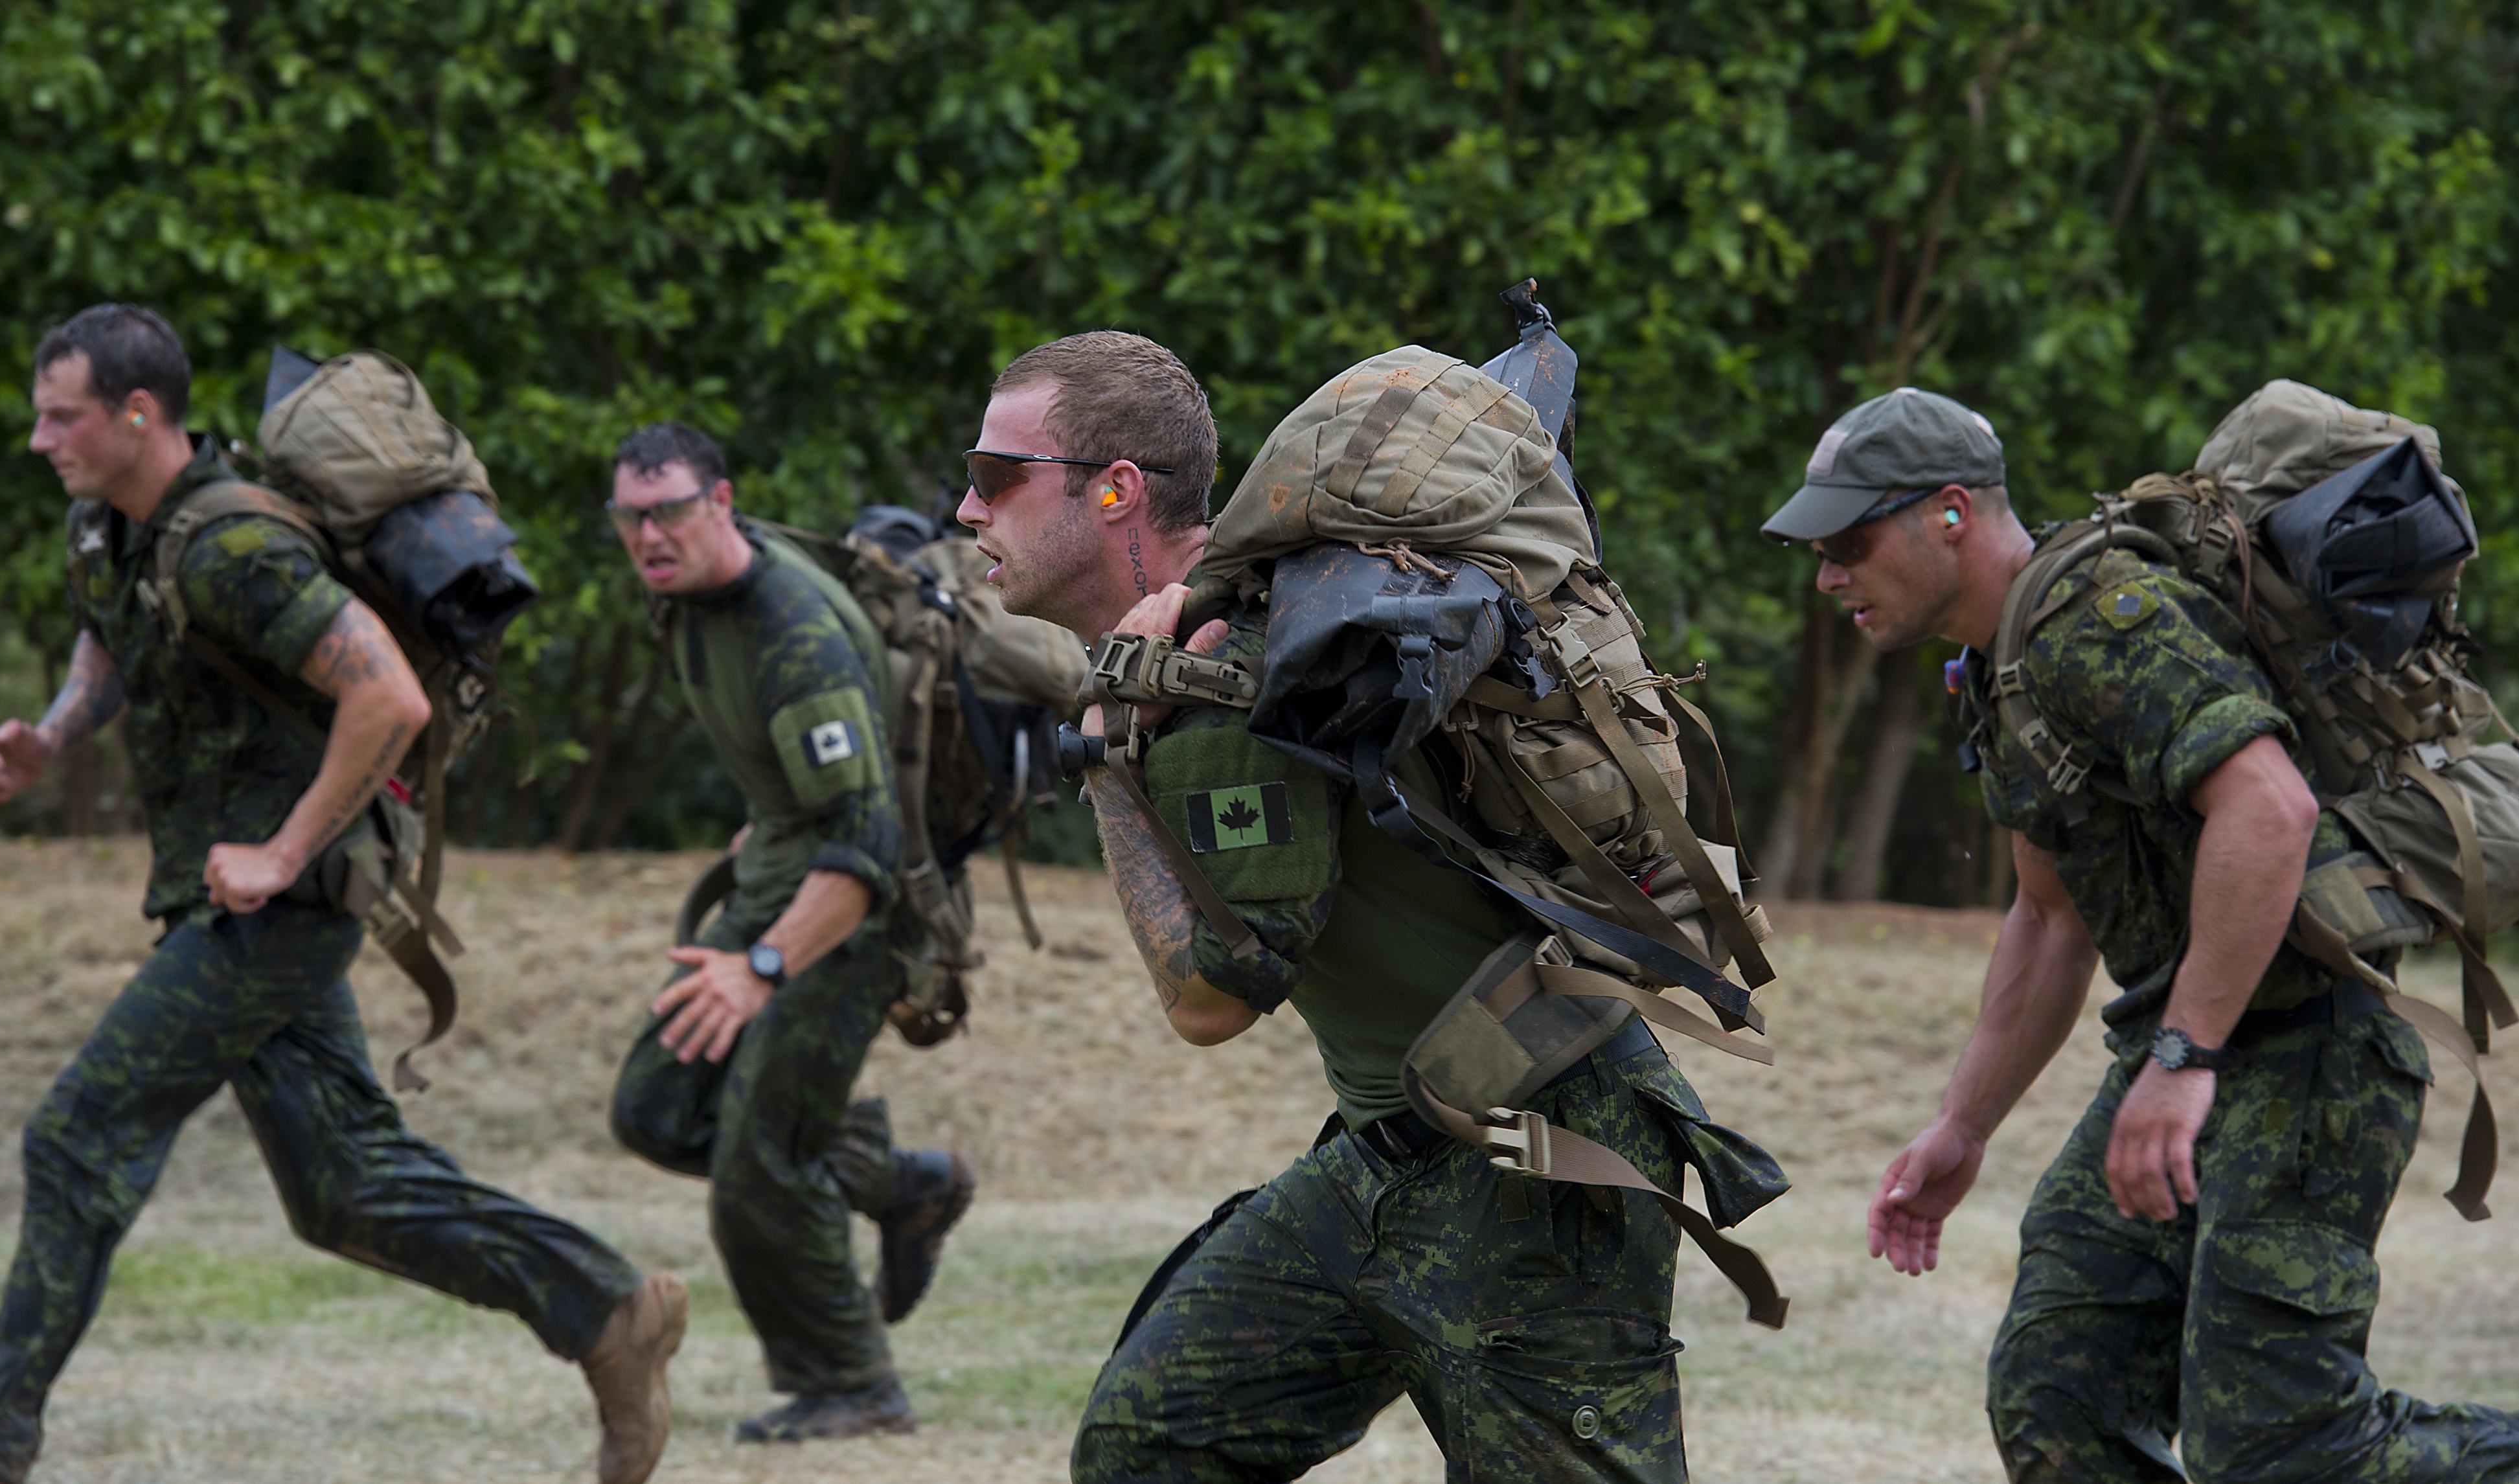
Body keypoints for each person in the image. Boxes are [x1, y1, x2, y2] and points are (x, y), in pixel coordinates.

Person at [959, 330, 1784, 1482]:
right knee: (1155, 1443)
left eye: (996, 476)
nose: (965, 508)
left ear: (1114, 492)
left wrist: (1100, 757)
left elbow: (1211, 1000)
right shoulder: (1254, 640)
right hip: (1390, 1152)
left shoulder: (1221, 685)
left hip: (1537, 1162)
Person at [0, 304, 683, 1484]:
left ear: (139, 415)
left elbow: (387, 698)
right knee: (343, 1191)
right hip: (220, 898)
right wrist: (47, 740)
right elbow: (112, 636)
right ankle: (609, 1312)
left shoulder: (234, 548)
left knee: (79, 1136)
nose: (41, 439)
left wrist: (284, 854)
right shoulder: (110, 528)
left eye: (60, 416)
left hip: (284, 900)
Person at [1766, 386, 2519, 1482]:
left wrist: (2181, 1058)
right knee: (2058, 1399)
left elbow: (2269, 809)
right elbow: (2046, 913)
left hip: (2304, 1058)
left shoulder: (2098, 620)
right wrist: (1962, 1128)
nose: (1828, 573)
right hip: (2182, 1062)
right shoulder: (2001, 668)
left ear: (1947, 515)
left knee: (2283, 1447)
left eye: (1848, 539)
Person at [602, 420, 974, 1443]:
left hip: (856, 914)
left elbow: (864, 837)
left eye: (669, 510)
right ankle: (899, 1182)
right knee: (655, 1105)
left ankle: (853, 1383)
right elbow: (800, 789)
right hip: (782, 878)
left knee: (759, 1159)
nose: (648, 536)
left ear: (720, 503)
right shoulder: (684, 600)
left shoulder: (792, 632)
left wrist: (759, 967)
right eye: (629, 517)